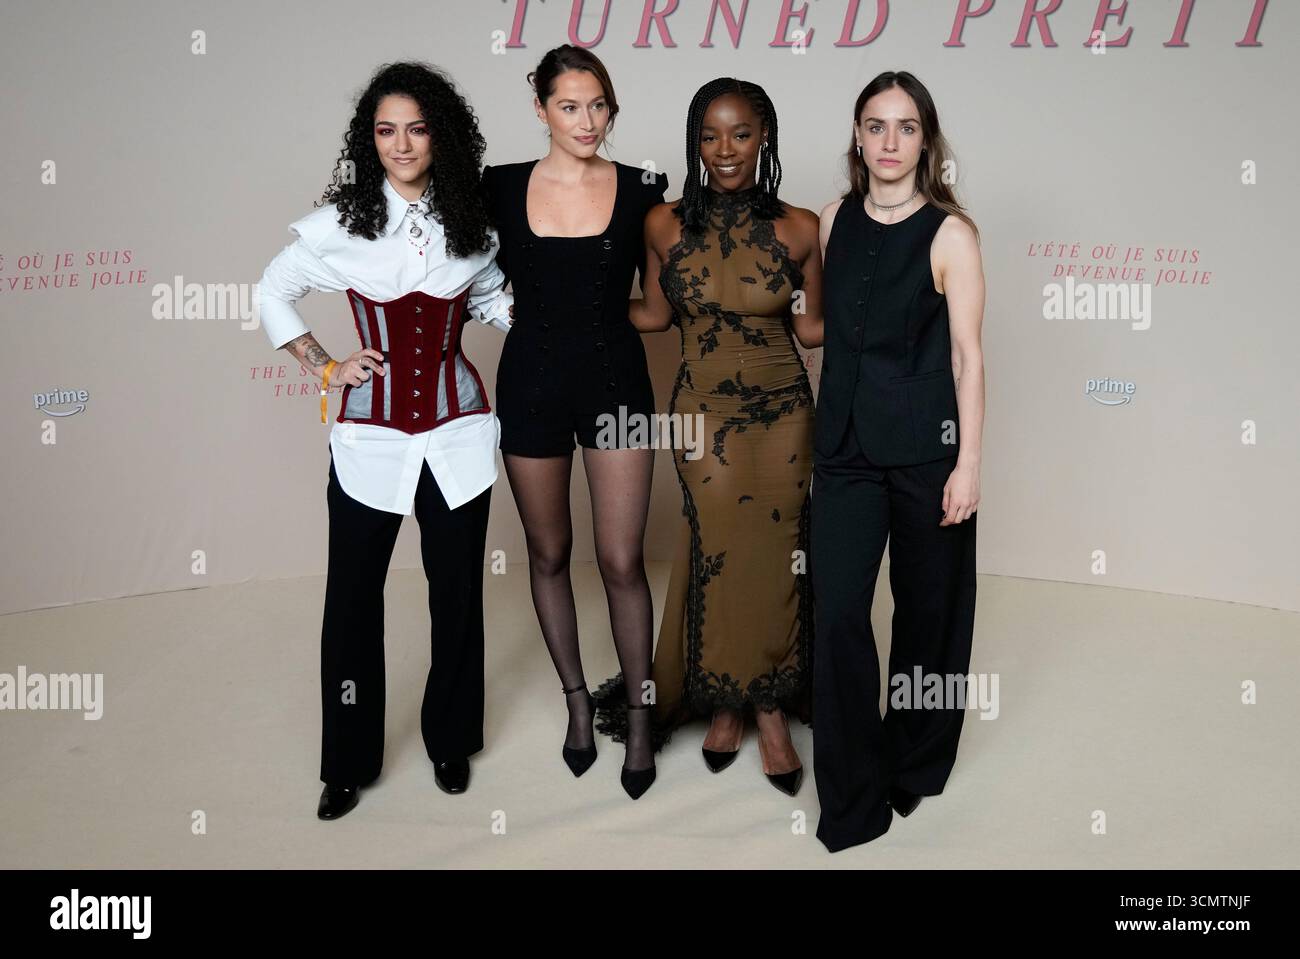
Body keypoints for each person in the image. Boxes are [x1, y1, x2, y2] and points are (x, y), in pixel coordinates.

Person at [257, 61, 513, 821]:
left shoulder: (472, 217)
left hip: (460, 435)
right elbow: (272, 290)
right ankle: (347, 761)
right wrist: (327, 365)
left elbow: (495, 299)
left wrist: (551, 329)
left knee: (458, 596)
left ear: (442, 134)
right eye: (386, 129)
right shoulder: (340, 221)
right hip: (368, 441)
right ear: (370, 140)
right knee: (351, 601)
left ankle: (450, 741)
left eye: (418, 127)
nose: (402, 143)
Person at [594, 78, 824, 797]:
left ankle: (768, 706)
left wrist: (894, 303)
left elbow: (812, 330)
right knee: (720, 546)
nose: (725, 151)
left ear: (766, 138)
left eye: (742, 134)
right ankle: (724, 699)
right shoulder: (663, 224)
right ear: (696, 141)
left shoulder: (801, 227)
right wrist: (572, 298)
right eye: (709, 136)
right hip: (701, 414)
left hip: (784, 411)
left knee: (774, 551)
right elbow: (657, 317)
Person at [479, 45, 668, 799]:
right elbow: (432, 257)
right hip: (529, 383)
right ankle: (577, 704)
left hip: (617, 381)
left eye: (599, 106)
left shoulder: (646, 188)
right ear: (540, 109)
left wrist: (586, 312)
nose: (587, 121)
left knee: (621, 560)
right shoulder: (496, 187)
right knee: (549, 552)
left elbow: (655, 309)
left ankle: (641, 715)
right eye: (569, 106)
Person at [812, 71, 985, 852]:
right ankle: (852, 791)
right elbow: (821, 327)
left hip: (926, 452)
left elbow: (967, 357)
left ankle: (916, 759)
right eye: (875, 126)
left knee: (928, 612)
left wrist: (969, 463)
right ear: (857, 135)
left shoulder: (951, 234)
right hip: (842, 449)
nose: (889, 142)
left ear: (926, 139)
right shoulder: (831, 220)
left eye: (905, 127)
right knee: (839, 610)